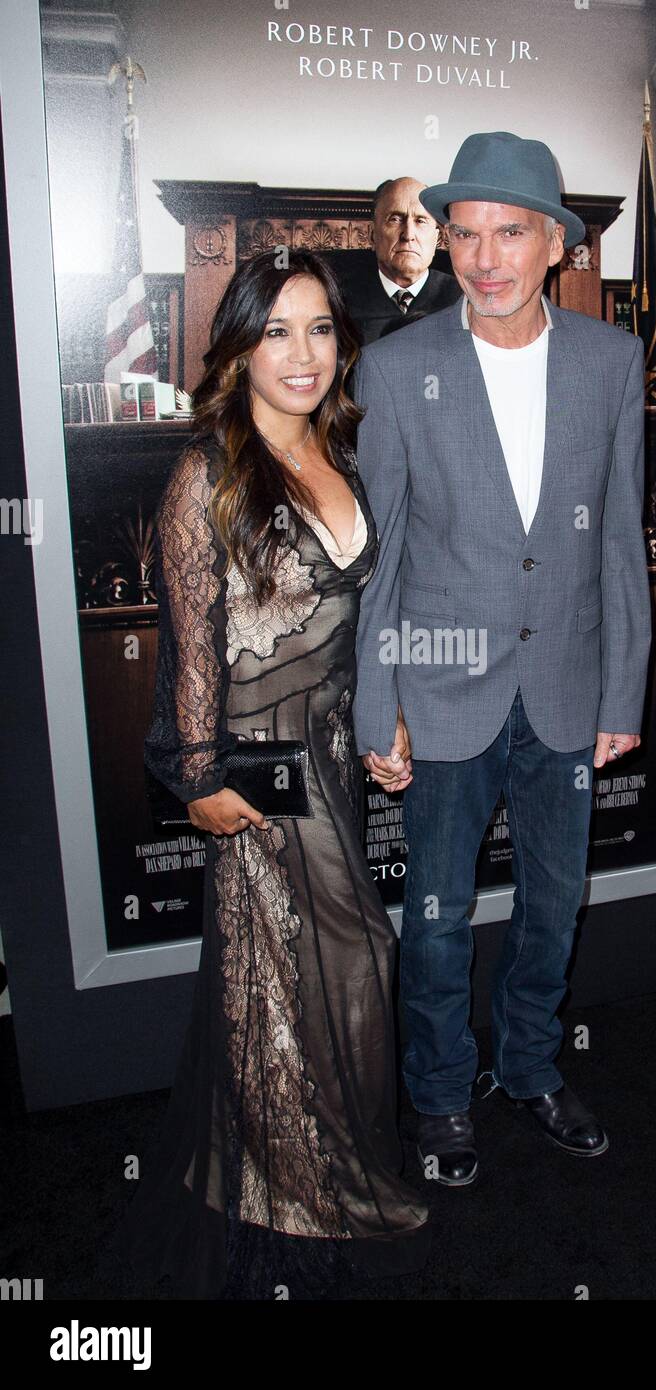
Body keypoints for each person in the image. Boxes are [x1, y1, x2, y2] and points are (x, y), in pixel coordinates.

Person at [114, 248, 430, 1299]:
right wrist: (199, 775)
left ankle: (302, 1162)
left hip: (334, 753)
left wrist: (388, 718)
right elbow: (190, 647)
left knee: (322, 967)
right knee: (312, 961)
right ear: (239, 347)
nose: (301, 354)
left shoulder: (348, 451)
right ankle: (292, 1181)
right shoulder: (208, 474)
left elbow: (359, 631)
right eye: (277, 331)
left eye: (321, 329)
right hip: (258, 769)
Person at [351, 132, 652, 1187]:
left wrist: (622, 688)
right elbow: (377, 555)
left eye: (507, 233)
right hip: (437, 695)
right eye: (462, 232)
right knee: (434, 920)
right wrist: (372, 705)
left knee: (550, 906)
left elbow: (620, 539)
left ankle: (528, 1066)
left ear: (555, 245)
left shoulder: (610, 363)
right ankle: (439, 1095)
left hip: (567, 688)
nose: (481, 258)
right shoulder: (394, 367)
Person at [323, 177, 462, 344]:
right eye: (395, 219)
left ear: (437, 238)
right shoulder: (339, 301)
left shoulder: (462, 300)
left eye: (420, 221)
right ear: (373, 235)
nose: (408, 235)